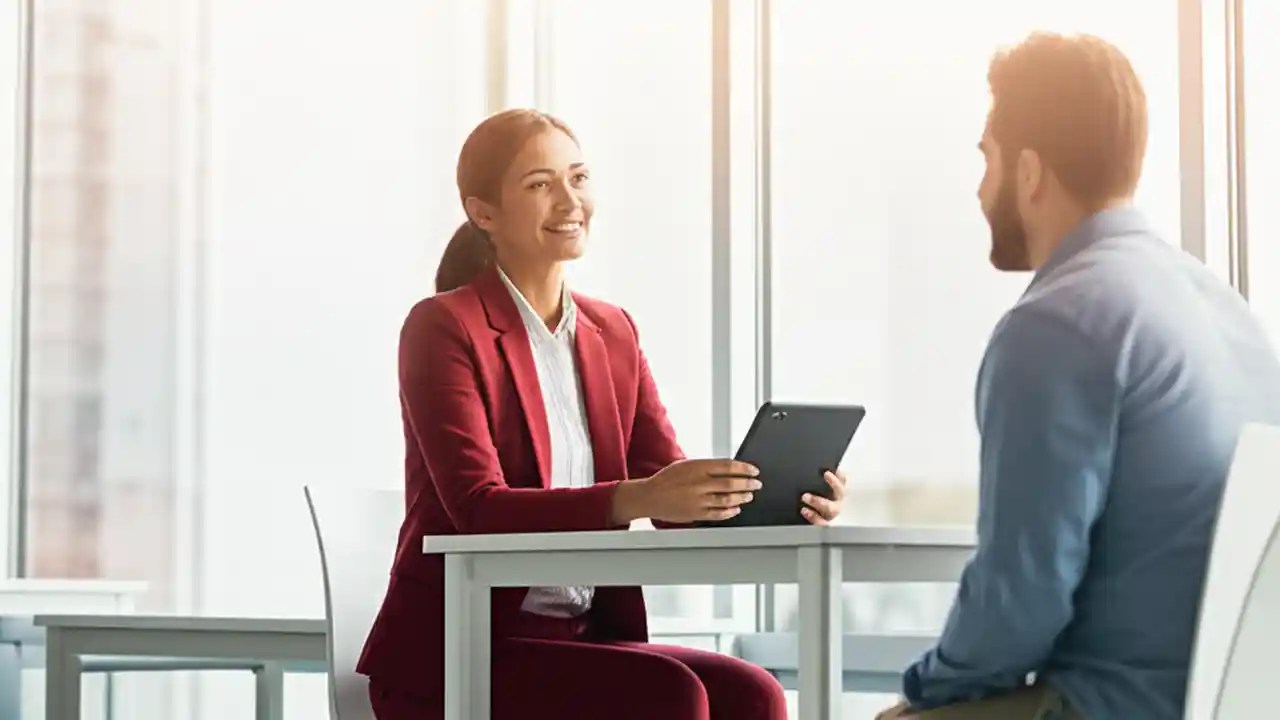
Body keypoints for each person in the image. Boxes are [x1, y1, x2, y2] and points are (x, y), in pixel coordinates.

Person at [358, 108, 848, 720]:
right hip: (457, 652)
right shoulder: (442, 326)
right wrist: (639, 496)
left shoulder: (612, 331)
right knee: (670, 697)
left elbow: (670, 502)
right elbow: (477, 508)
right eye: (540, 184)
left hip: (583, 639)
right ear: (483, 213)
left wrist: (779, 500)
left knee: (754, 693)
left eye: (579, 177)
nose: (570, 200)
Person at [878, 32, 1280, 720]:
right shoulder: (1230, 314)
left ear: (1029, 171)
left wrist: (920, 693)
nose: (980, 188)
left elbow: (1017, 608)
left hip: (1110, 706)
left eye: (987, 158)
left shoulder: (1058, 323)